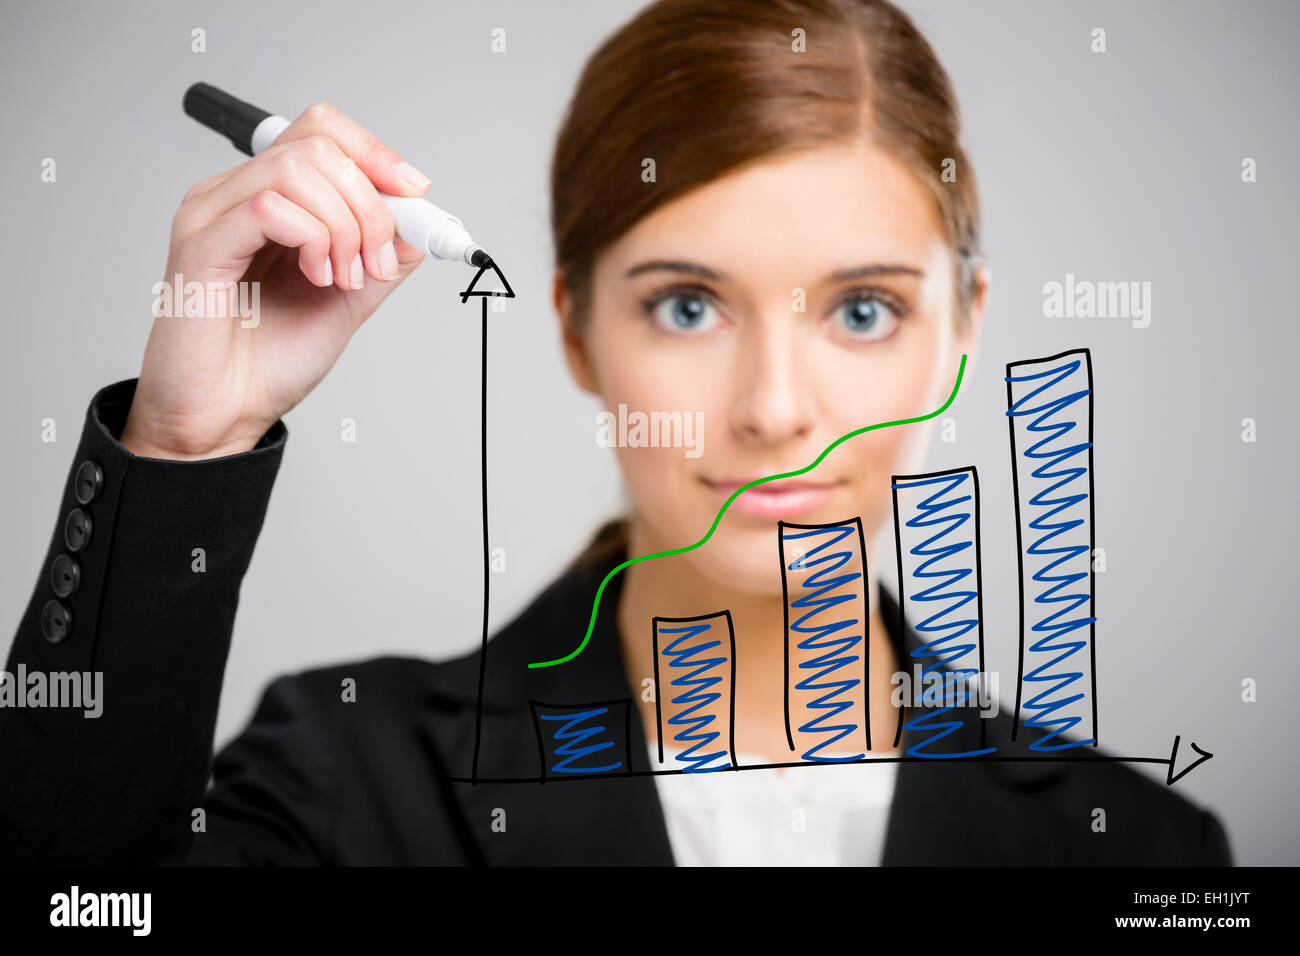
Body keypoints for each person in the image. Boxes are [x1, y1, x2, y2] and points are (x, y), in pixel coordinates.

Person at [1, 0, 1230, 865]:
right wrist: (182, 446)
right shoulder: (349, 786)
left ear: (959, 332)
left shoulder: (1131, 843)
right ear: (579, 331)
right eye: (687, 305)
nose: (775, 407)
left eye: (863, 309)